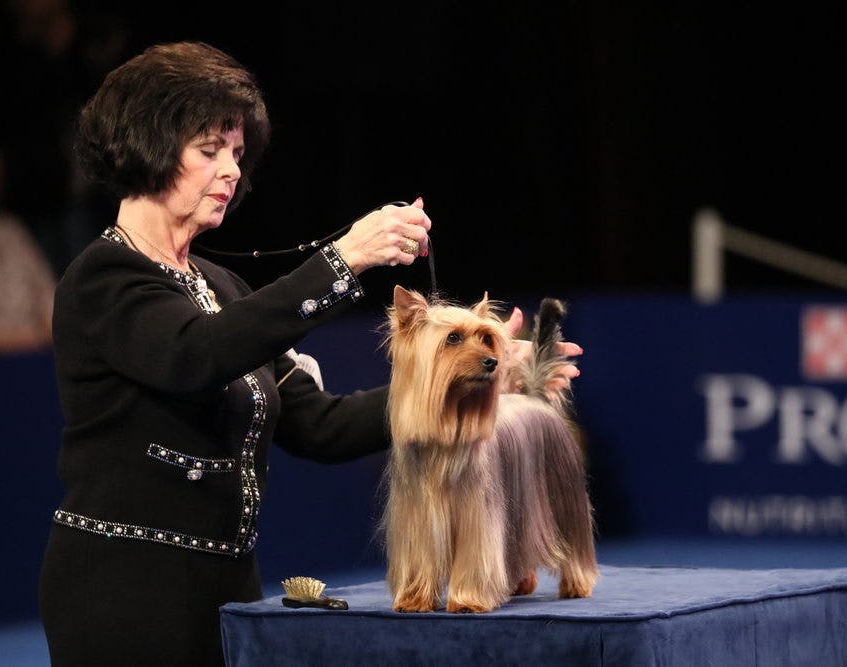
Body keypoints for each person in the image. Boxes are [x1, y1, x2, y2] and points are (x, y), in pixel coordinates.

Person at [38, 41, 581, 666]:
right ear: (147, 146)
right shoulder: (104, 276)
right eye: (210, 150)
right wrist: (344, 259)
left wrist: (466, 381)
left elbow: (320, 426)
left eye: (237, 153)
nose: (232, 171)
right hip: (122, 594)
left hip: (226, 590)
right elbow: (197, 355)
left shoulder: (222, 288)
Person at [0, 129, 55, 352]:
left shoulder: (10, 230)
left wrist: (48, 331)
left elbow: (47, 291)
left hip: (39, 349)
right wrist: (16, 342)